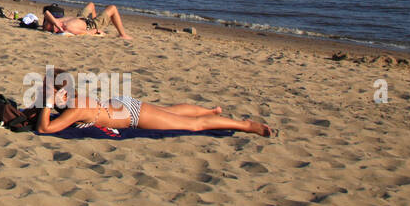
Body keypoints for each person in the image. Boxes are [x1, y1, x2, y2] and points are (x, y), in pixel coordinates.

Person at [35, 73, 274, 137]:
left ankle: (245, 125)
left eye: (50, 92)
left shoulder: (74, 108)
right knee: (171, 111)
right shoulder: (72, 102)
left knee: (192, 126)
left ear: (63, 94)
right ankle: (212, 110)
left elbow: (45, 129)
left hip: (132, 114)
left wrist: (46, 104)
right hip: (119, 104)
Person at [43, 2, 134, 41]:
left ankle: (95, 17)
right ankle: (123, 35)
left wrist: (56, 23)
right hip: (91, 24)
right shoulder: (69, 28)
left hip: (81, 17)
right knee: (113, 8)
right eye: (52, 26)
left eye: (50, 23)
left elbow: (46, 13)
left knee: (91, 4)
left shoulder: (58, 22)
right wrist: (96, 31)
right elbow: (88, 32)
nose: (53, 25)